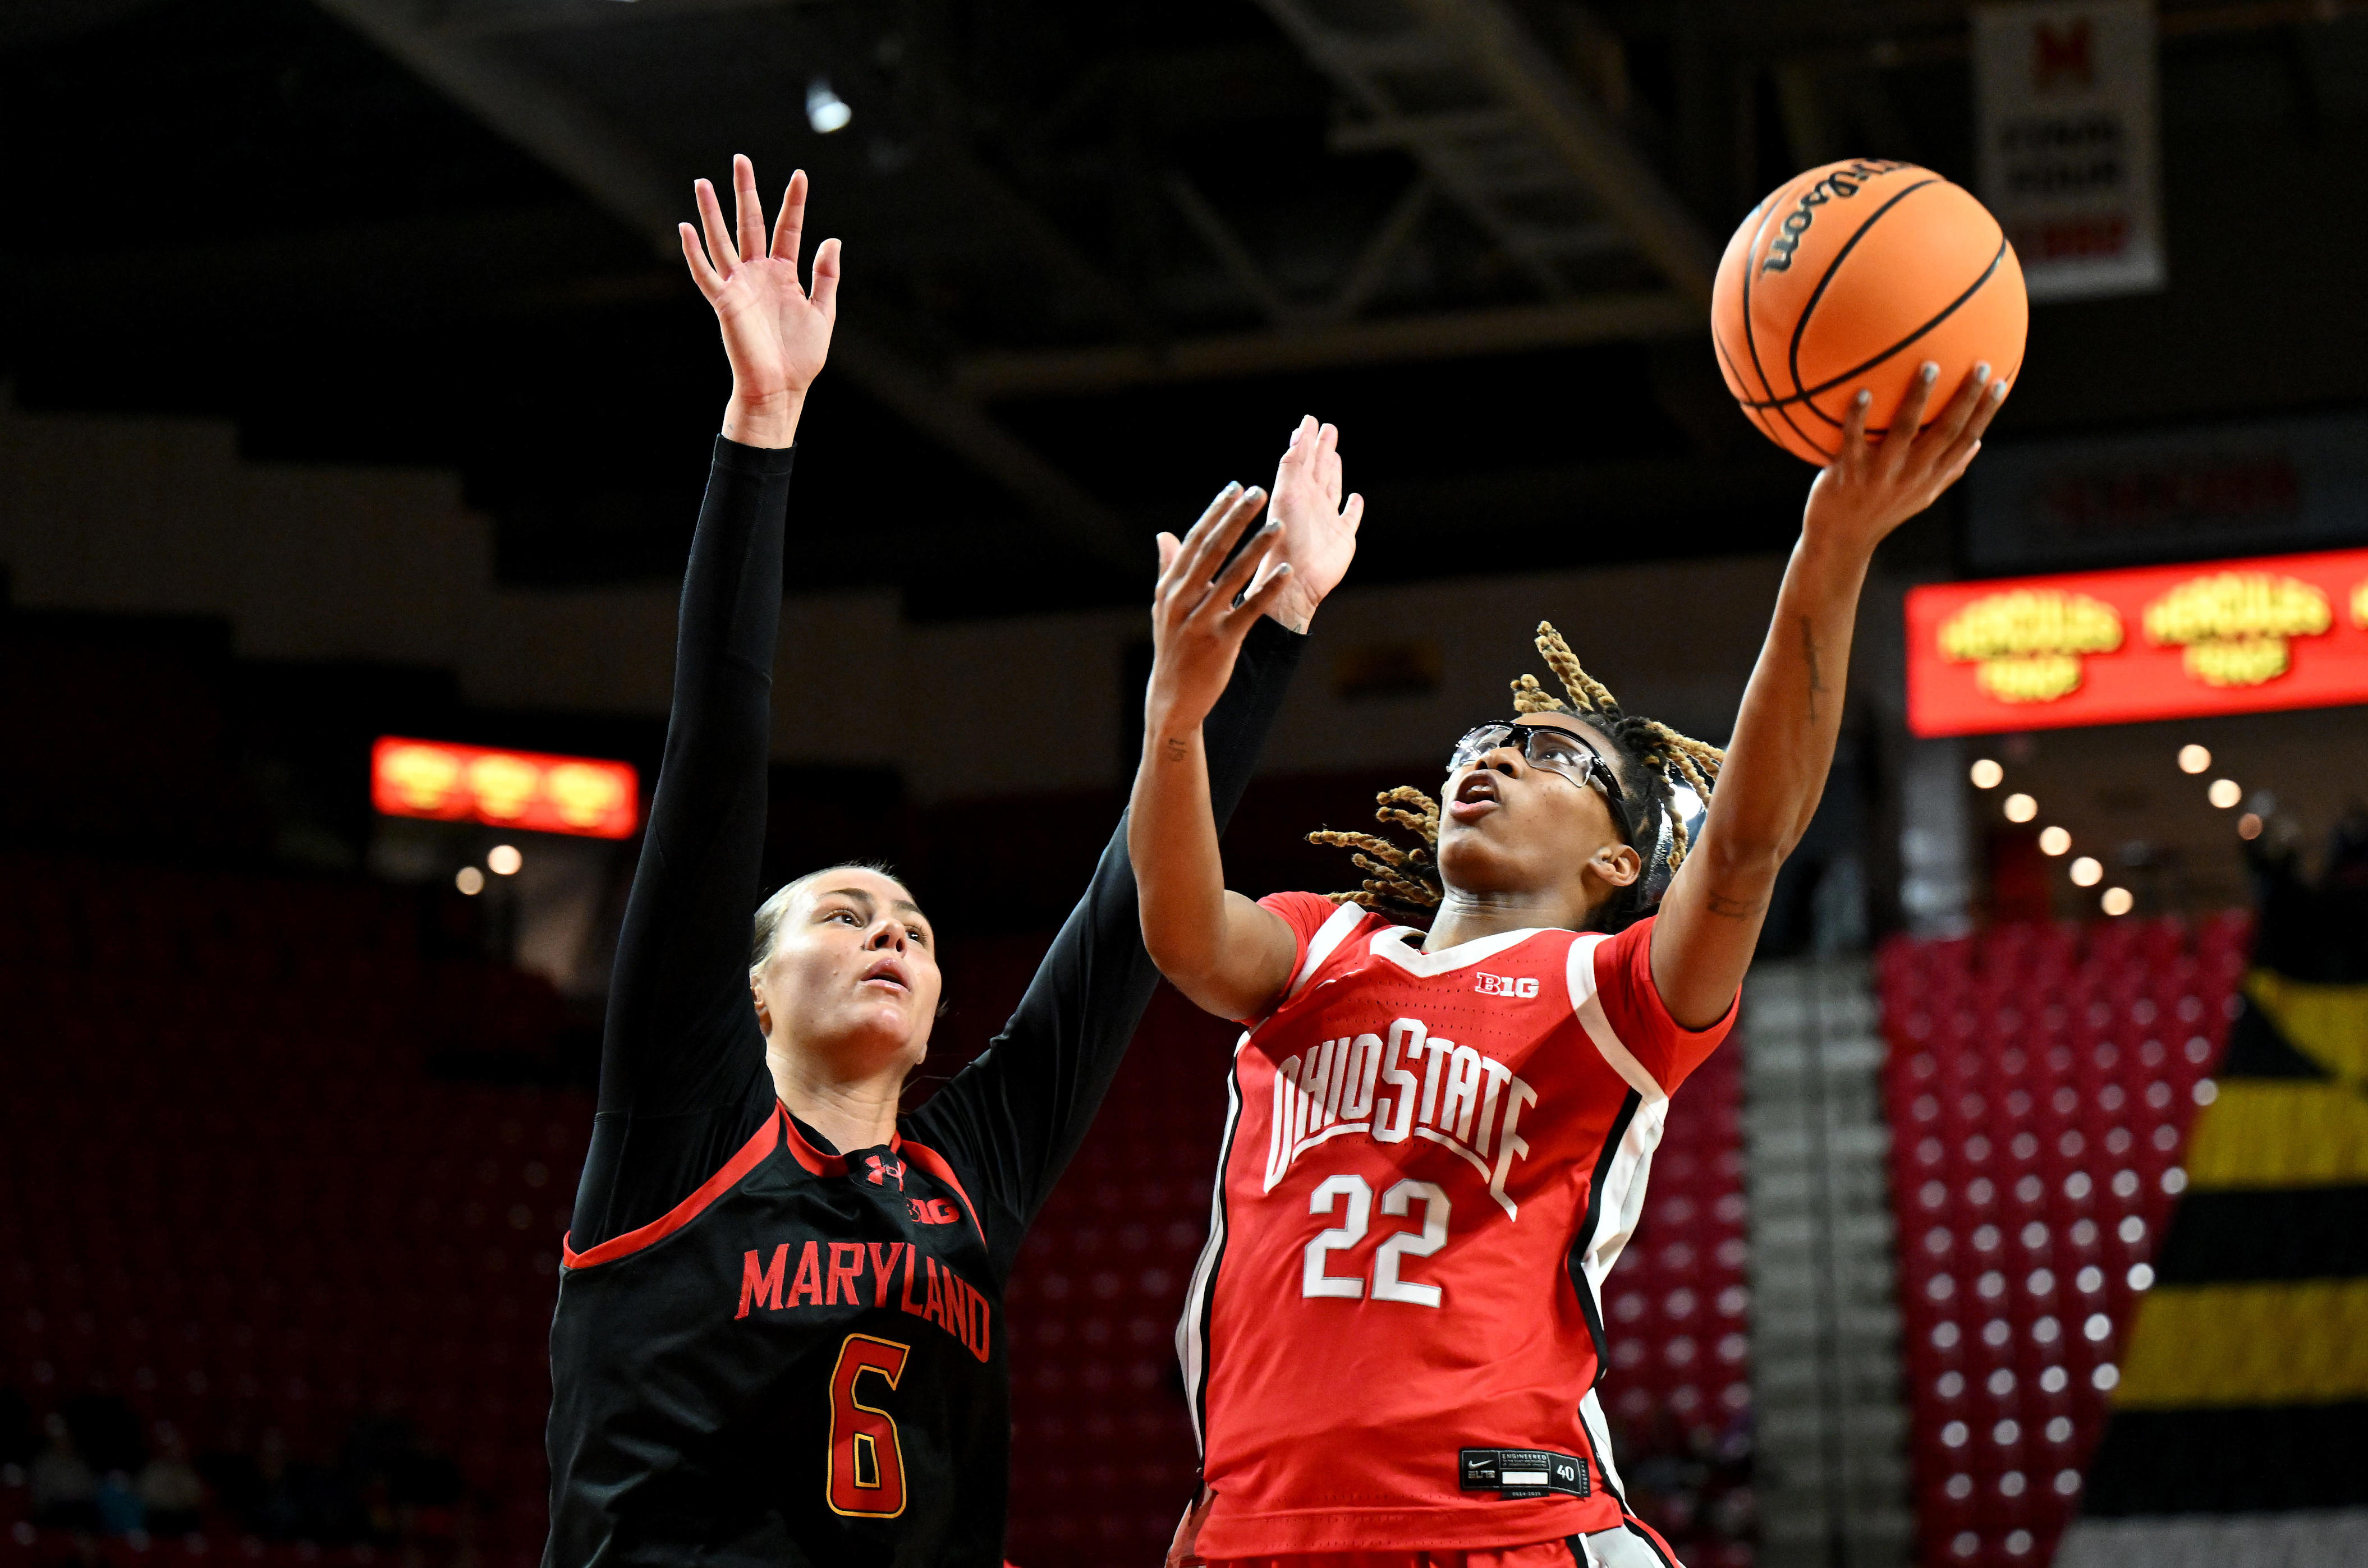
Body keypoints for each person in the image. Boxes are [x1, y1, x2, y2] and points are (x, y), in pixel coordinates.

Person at [542, 155, 1362, 1567]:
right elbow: (720, 743)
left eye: (913, 932)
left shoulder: (966, 1165)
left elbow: (1122, 927)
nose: (891, 940)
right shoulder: (683, 1126)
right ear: (748, 990)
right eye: (846, 916)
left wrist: (1273, 637)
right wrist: (763, 422)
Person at [1131, 364, 2008, 1566]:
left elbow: (1749, 839)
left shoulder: (1617, 996)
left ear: (1616, 860)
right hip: (1256, 1530)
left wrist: (1832, 546)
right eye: (1477, 743)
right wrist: (1173, 719)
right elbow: (1178, 928)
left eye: (1543, 752)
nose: (1486, 758)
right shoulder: (1319, 947)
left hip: (1508, 1523)